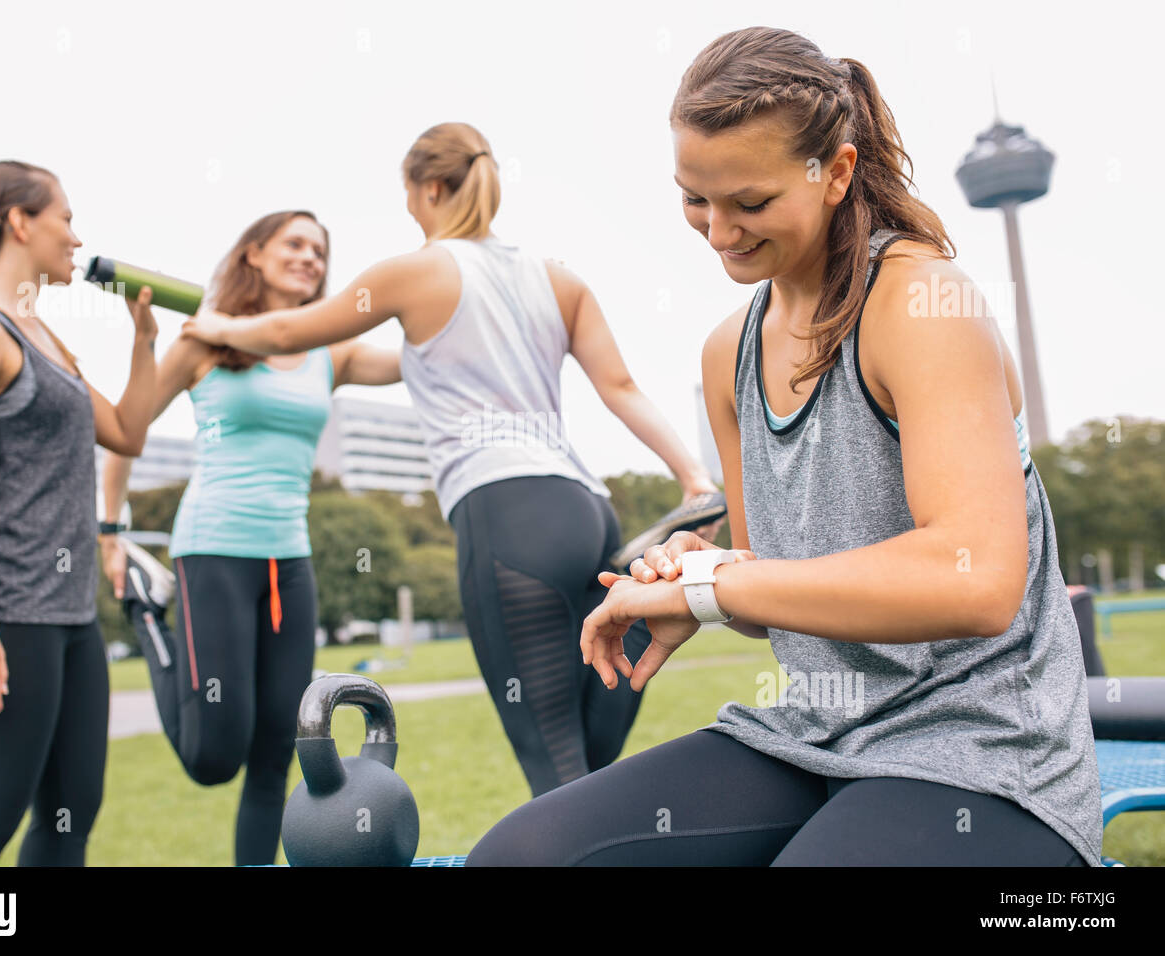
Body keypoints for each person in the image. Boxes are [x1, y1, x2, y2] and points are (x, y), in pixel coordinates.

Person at [465, 27, 1102, 866]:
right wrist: (694, 576)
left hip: (984, 758)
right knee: (524, 856)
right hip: (813, 731)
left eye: (751, 203)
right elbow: (772, 577)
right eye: (695, 197)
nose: (718, 230)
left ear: (835, 173)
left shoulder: (921, 304)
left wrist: (723, 582)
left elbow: (978, 579)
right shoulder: (727, 351)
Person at [181, 122, 721, 797]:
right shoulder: (558, 277)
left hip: (507, 514)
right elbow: (620, 389)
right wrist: (695, 479)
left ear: (430, 188)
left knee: (556, 771)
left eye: (409, 196)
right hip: (587, 512)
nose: (410, 210)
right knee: (589, 752)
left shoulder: (417, 269)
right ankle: (648, 615)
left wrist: (218, 326)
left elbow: (293, 328)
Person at [100, 210, 401, 865]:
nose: (310, 259)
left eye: (320, 251)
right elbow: (126, 430)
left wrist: (444, 298)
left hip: (289, 560)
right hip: (212, 549)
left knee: (279, 752)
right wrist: (109, 529)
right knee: (215, 755)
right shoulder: (204, 342)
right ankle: (147, 619)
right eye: (295, 244)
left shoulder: (331, 349)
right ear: (255, 255)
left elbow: (412, 362)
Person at [0, 160, 158, 866]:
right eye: (66, 219)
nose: (76, 239)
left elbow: (126, 433)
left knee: (67, 820)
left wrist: (144, 341)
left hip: (70, 619)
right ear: (21, 222)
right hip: (3, 615)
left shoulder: (46, 338)